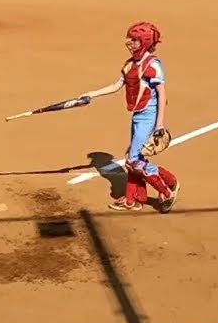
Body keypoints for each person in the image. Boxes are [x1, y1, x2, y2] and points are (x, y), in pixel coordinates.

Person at [75, 22, 178, 213]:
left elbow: (162, 95)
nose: (129, 42)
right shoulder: (130, 64)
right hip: (138, 115)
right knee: (133, 156)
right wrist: (91, 94)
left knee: (134, 160)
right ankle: (135, 198)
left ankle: (166, 191)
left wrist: (159, 124)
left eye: (134, 40)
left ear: (144, 42)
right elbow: (116, 86)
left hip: (148, 116)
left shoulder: (152, 65)